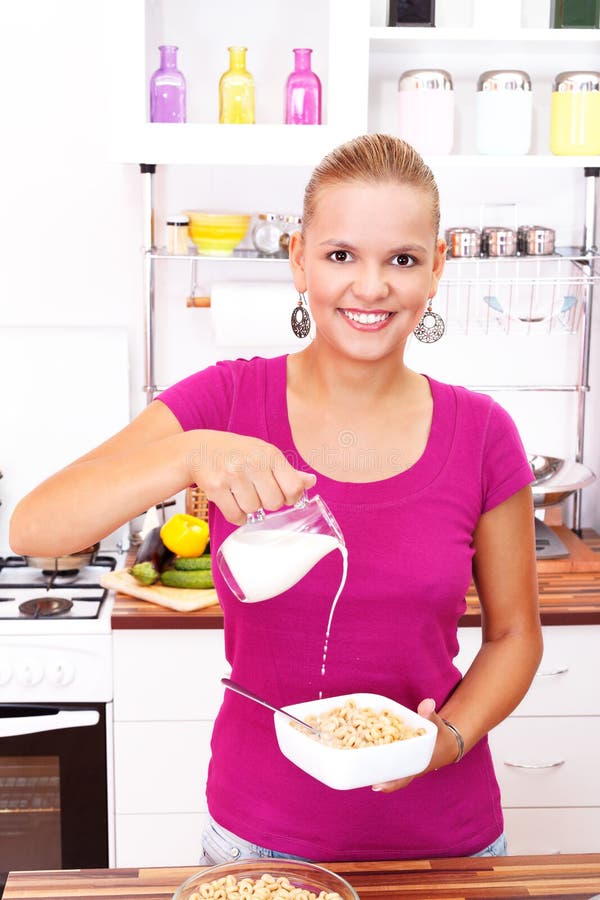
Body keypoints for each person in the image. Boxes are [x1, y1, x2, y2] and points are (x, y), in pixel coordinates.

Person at [10, 134, 542, 863]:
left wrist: (446, 742)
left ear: (436, 270)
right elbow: (36, 526)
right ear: (298, 259)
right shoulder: (225, 399)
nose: (371, 286)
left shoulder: (483, 434)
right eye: (341, 255)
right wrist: (187, 453)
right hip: (260, 839)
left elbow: (516, 636)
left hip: (445, 843)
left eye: (403, 260)